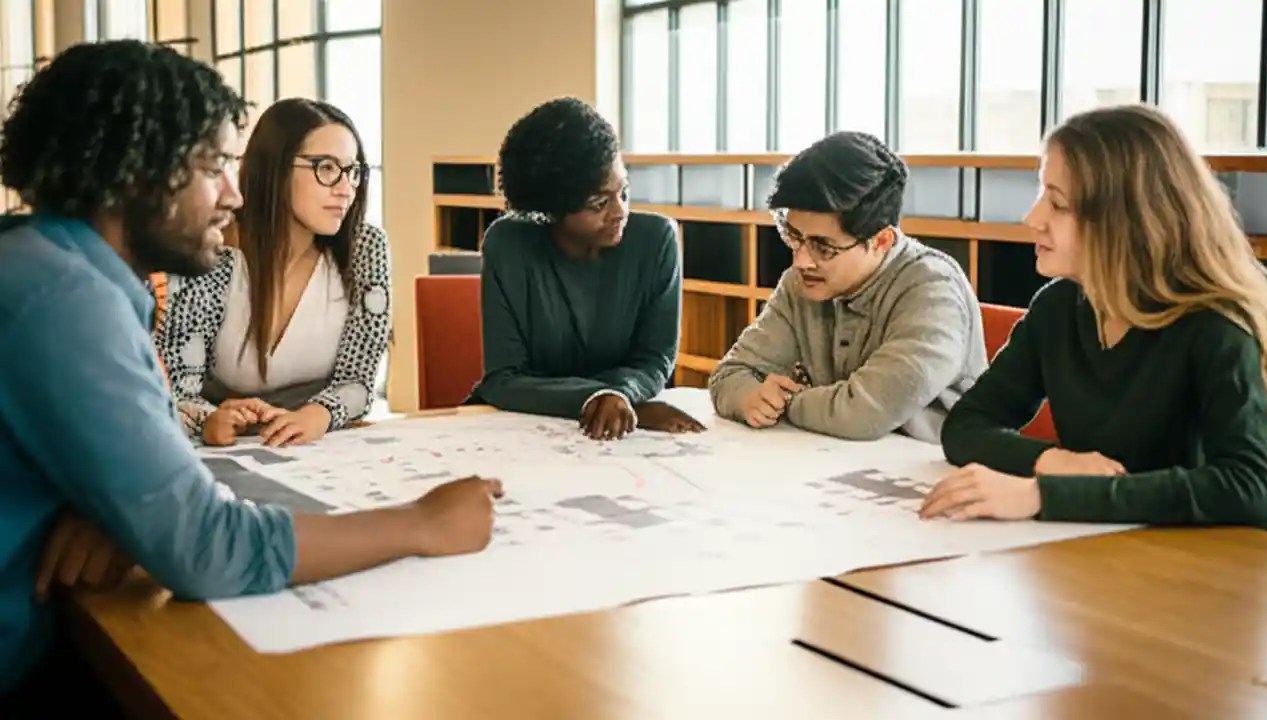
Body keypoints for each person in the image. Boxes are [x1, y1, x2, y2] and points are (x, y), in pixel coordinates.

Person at [0, 41, 500, 711]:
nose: (232, 193)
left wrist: (111, 506)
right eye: (212, 167)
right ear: (131, 174)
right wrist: (422, 523)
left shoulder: (43, 264)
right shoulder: (66, 300)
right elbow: (207, 547)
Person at [921, 104, 1267, 530]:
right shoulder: (1058, 307)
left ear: (1126, 221)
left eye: (1057, 203)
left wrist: (1042, 494)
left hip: (1206, 570)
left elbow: (1249, 490)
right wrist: (1053, 461)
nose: (1032, 219)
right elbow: (965, 427)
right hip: (1101, 551)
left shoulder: (1216, 326)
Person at [708, 131, 986, 443]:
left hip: (934, 473)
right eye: (793, 236)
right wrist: (749, 397)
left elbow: (861, 413)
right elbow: (729, 374)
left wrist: (786, 402)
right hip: (834, 466)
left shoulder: (933, 290)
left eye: (823, 247)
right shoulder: (800, 283)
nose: (801, 261)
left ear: (882, 241)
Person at [155, 97, 390, 448]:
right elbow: (176, 389)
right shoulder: (210, 248)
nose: (346, 189)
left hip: (319, 444)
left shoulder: (365, 248)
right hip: (221, 448)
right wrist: (208, 421)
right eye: (326, 168)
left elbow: (357, 381)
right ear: (276, 168)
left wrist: (317, 415)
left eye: (353, 171)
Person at [467, 97, 703, 441]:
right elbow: (503, 380)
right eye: (599, 203)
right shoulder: (508, 246)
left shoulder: (657, 242)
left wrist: (623, 396)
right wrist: (598, 398)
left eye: (624, 192)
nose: (619, 211)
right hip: (522, 429)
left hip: (627, 422)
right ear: (553, 209)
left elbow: (654, 361)